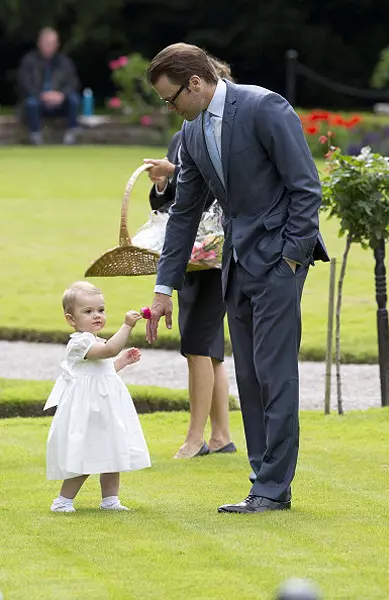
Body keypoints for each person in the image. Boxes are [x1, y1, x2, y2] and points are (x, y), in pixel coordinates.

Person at [145, 43, 329, 513]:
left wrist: (291, 258)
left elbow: (306, 186)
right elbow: (184, 214)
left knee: (274, 374)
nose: (170, 109)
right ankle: (264, 484)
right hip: (236, 263)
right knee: (248, 375)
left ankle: (271, 488)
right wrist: (164, 288)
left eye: (171, 99)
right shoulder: (191, 131)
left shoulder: (264, 107)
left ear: (196, 83)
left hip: (278, 263)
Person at [142, 57, 236, 460]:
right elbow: (178, 204)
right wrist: (164, 181)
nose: (173, 106)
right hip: (190, 251)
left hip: (215, 252)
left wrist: (175, 169)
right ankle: (221, 436)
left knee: (198, 343)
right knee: (205, 346)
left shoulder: (229, 125)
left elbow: (223, 184)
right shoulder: (185, 131)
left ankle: (196, 437)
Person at [44, 281, 151, 512]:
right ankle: (63, 500)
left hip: (106, 407)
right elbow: (109, 351)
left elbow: (104, 368)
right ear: (71, 319)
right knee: (86, 452)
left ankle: (110, 499)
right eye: (88, 311)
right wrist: (126, 326)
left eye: (100, 310)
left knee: (112, 450)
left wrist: (122, 362)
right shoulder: (80, 342)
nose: (97, 316)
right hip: (88, 409)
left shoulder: (95, 340)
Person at [17, 27, 80, 146]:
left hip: (59, 102)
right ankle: (35, 136)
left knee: (74, 99)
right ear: (39, 43)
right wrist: (42, 96)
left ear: (57, 45)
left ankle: (72, 134)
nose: (49, 47)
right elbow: (25, 83)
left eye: (52, 44)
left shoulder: (64, 62)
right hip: (39, 101)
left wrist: (61, 95)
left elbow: (73, 83)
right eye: (46, 43)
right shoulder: (29, 60)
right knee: (31, 103)